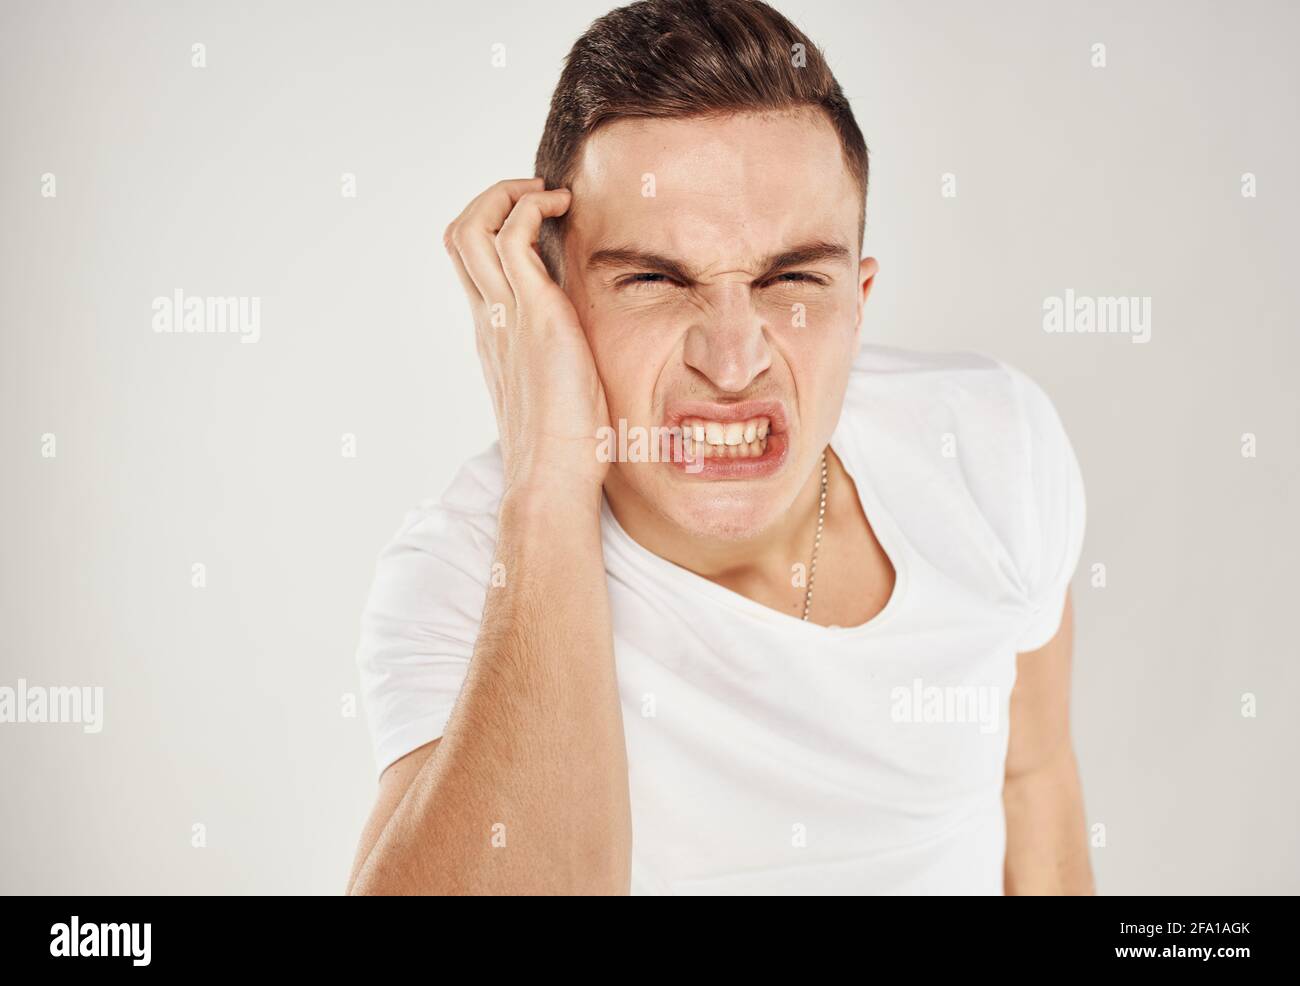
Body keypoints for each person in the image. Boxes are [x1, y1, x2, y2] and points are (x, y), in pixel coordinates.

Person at [347, 0, 1092, 895]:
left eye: (792, 279)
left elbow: (1034, 778)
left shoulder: (989, 441)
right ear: (553, 300)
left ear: (858, 300)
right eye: (656, 280)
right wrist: (548, 478)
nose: (733, 362)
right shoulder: (469, 574)